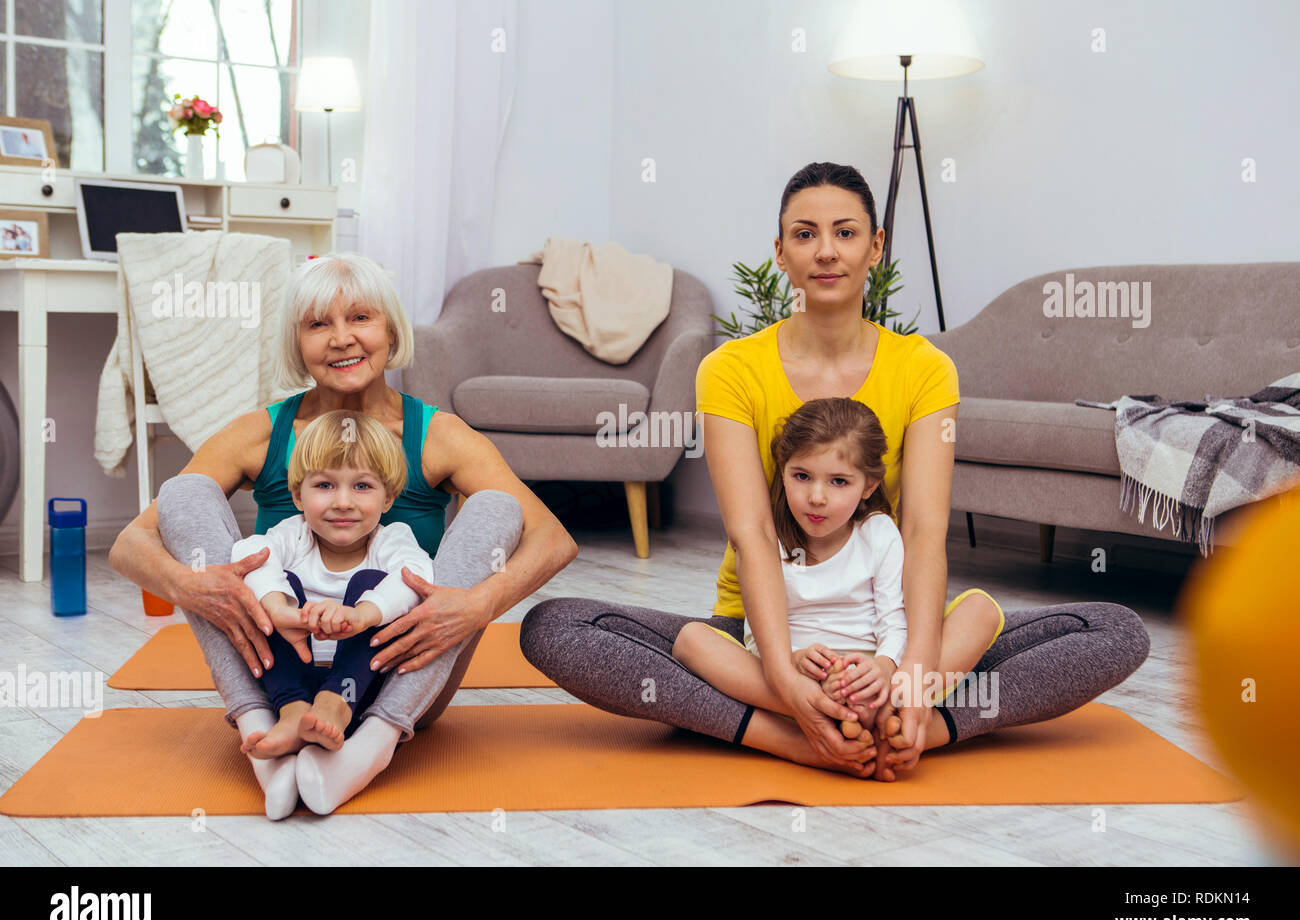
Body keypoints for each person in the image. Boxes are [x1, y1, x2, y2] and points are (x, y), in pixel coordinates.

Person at [520, 161, 1149, 779]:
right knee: (559, 626)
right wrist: (787, 683)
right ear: (780, 252)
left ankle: (918, 728)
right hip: (763, 631)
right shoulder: (730, 370)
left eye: (846, 233)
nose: (826, 251)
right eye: (805, 234)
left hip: (890, 628)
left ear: (875, 246)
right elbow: (753, 534)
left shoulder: (926, 369)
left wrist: (916, 677)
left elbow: (927, 527)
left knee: (1112, 629)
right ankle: (790, 734)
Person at [109, 252, 577, 815]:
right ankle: (263, 739)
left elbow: (552, 538)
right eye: (317, 324)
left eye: (360, 318)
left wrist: (476, 606)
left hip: (398, 673)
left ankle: (376, 737)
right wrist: (192, 586)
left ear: (389, 330)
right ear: (297, 342)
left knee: (500, 506)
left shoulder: (438, 436)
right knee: (182, 493)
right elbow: (130, 543)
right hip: (272, 669)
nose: (340, 339)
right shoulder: (262, 431)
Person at [672, 396, 1003, 749]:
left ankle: (879, 719)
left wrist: (886, 667)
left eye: (839, 482)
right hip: (797, 688)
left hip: (876, 685)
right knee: (692, 639)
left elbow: (895, 619)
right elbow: (757, 635)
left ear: (869, 486)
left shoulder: (878, 534)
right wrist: (794, 663)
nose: (816, 497)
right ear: (782, 471)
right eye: (802, 476)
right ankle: (871, 731)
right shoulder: (768, 538)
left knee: (979, 610)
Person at [232, 411, 433, 773]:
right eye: (325, 486)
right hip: (288, 684)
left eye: (362, 486)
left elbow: (417, 576)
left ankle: (334, 706)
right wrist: (278, 608)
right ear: (298, 496)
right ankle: (293, 716)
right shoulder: (292, 536)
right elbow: (246, 554)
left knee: (370, 583)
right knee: (274, 585)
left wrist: (362, 614)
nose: (343, 502)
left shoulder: (391, 539)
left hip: (363, 689)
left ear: (388, 498)